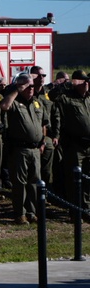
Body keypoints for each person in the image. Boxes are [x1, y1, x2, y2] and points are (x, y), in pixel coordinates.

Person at [0, 74, 48, 224]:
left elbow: (43, 124)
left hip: (35, 149)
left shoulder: (36, 103)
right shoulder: (15, 102)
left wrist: (42, 141)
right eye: (27, 86)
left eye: (32, 86)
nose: (31, 89)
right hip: (20, 149)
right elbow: (4, 106)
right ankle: (20, 213)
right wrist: (16, 90)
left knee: (34, 182)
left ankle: (31, 211)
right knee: (20, 183)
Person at [50, 70, 90, 218]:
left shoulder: (88, 98)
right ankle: (75, 209)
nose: (86, 83)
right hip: (75, 145)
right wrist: (67, 84)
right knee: (74, 180)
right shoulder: (67, 98)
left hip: (88, 145)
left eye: (87, 81)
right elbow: (52, 96)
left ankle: (86, 208)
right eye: (83, 81)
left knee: (87, 179)